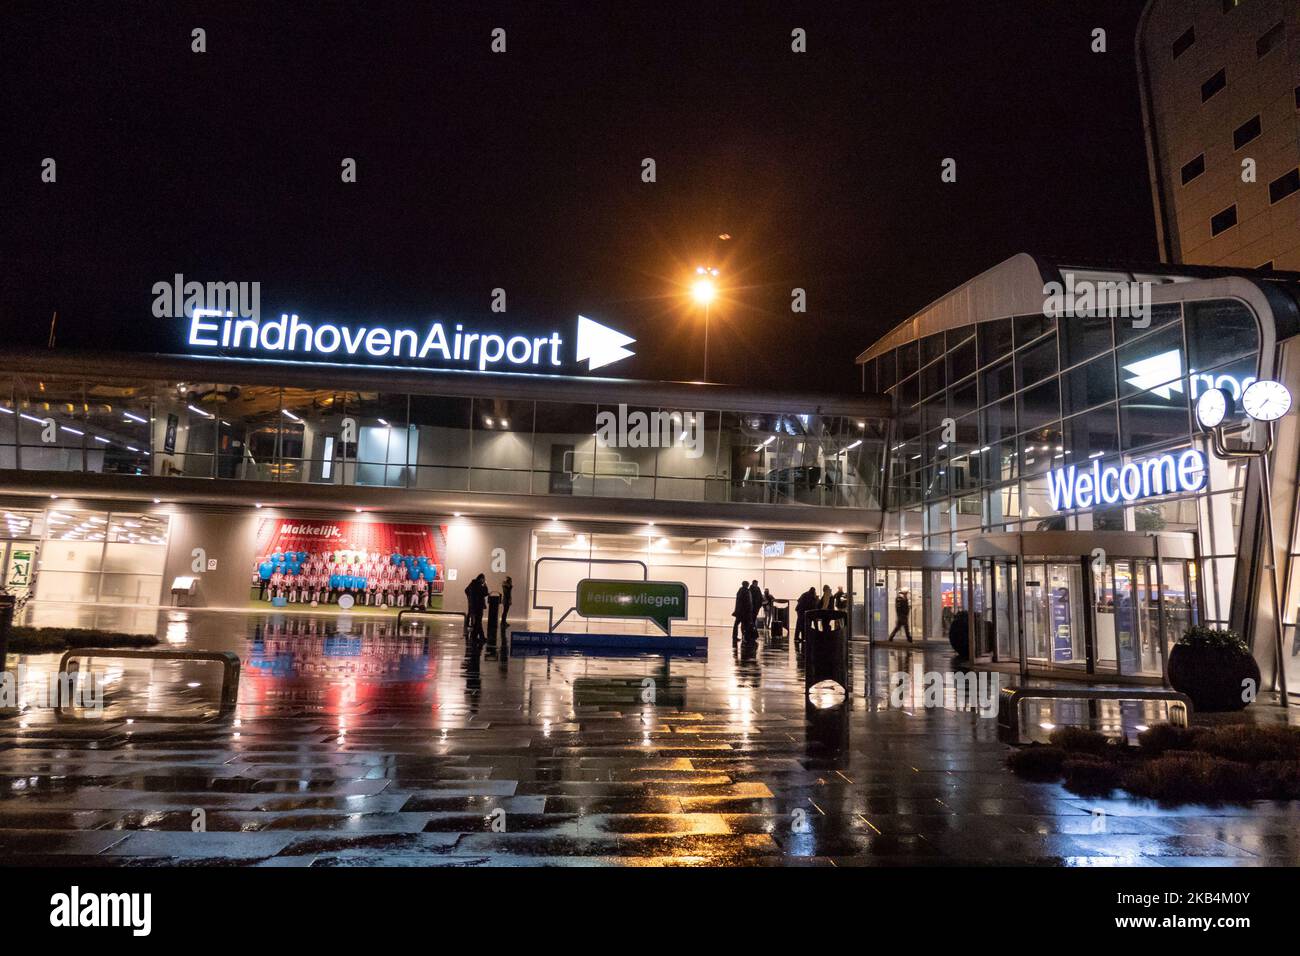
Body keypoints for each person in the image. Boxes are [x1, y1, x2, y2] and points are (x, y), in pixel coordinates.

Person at [465, 572, 488, 642]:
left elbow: (466, 590)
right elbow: (485, 593)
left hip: (473, 605)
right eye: (484, 579)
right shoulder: (479, 585)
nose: (484, 580)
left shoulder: (472, 583)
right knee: (478, 622)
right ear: (481, 579)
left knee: (477, 622)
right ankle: (476, 637)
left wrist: (470, 599)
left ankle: (480, 636)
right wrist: (485, 585)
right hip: (478, 606)